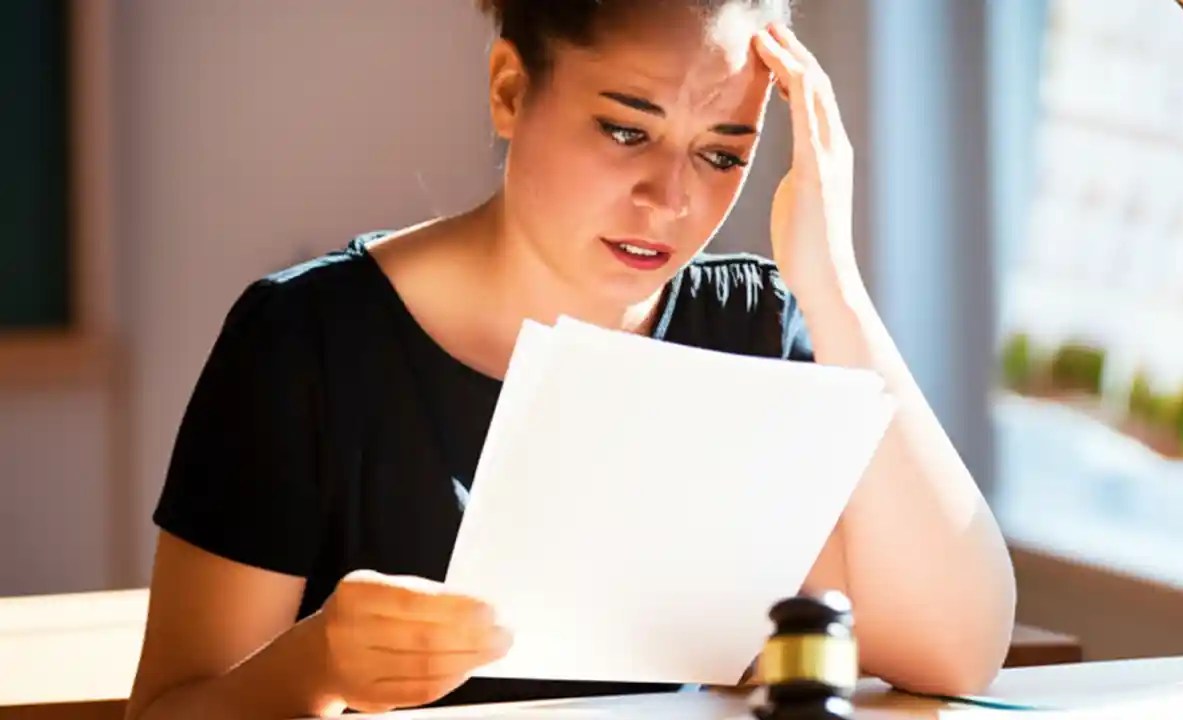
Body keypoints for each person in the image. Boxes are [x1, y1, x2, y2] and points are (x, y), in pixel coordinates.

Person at [124, 1, 1017, 718]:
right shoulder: (302, 342)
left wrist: (835, 283)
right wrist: (312, 668)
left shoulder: (752, 332)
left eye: (720, 154)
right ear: (510, 89)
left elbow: (955, 652)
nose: (669, 199)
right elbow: (168, 711)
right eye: (628, 131)